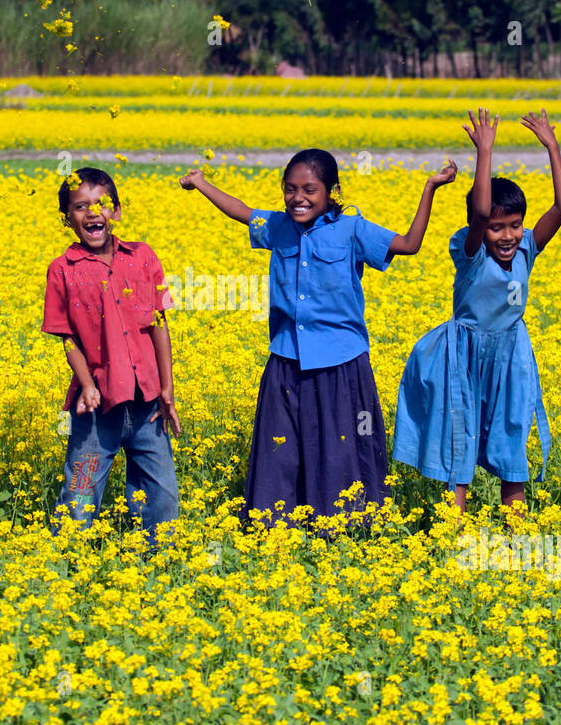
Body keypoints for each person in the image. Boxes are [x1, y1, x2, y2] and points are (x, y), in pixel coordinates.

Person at [181, 148, 458, 526]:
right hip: (287, 357)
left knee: (341, 446)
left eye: (310, 189)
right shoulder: (277, 227)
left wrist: (430, 187)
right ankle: (278, 526)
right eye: (290, 189)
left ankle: (344, 523)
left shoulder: (351, 229)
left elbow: (409, 244)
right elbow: (240, 210)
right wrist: (200, 184)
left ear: (332, 191)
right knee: (282, 448)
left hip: (341, 362)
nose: (299, 198)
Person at [393, 108, 561, 526]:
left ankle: (517, 533)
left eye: (514, 226)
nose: (506, 235)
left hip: (510, 355)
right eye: (497, 228)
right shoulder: (471, 255)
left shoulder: (527, 248)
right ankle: (451, 535)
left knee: (512, 443)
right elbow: (479, 213)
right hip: (464, 356)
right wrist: (485, 152)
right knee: (460, 445)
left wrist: (552, 146)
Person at [43, 167, 182, 544]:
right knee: (80, 493)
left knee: (161, 495)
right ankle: (65, 565)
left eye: (101, 204)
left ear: (116, 211)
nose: (92, 213)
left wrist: (167, 389)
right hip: (95, 410)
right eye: (80, 207)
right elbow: (66, 338)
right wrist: (86, 385)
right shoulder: (62, 270)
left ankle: (157, 565)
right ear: (67, 218)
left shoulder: (144, 257)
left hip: (147, 405)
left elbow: (160, 322)